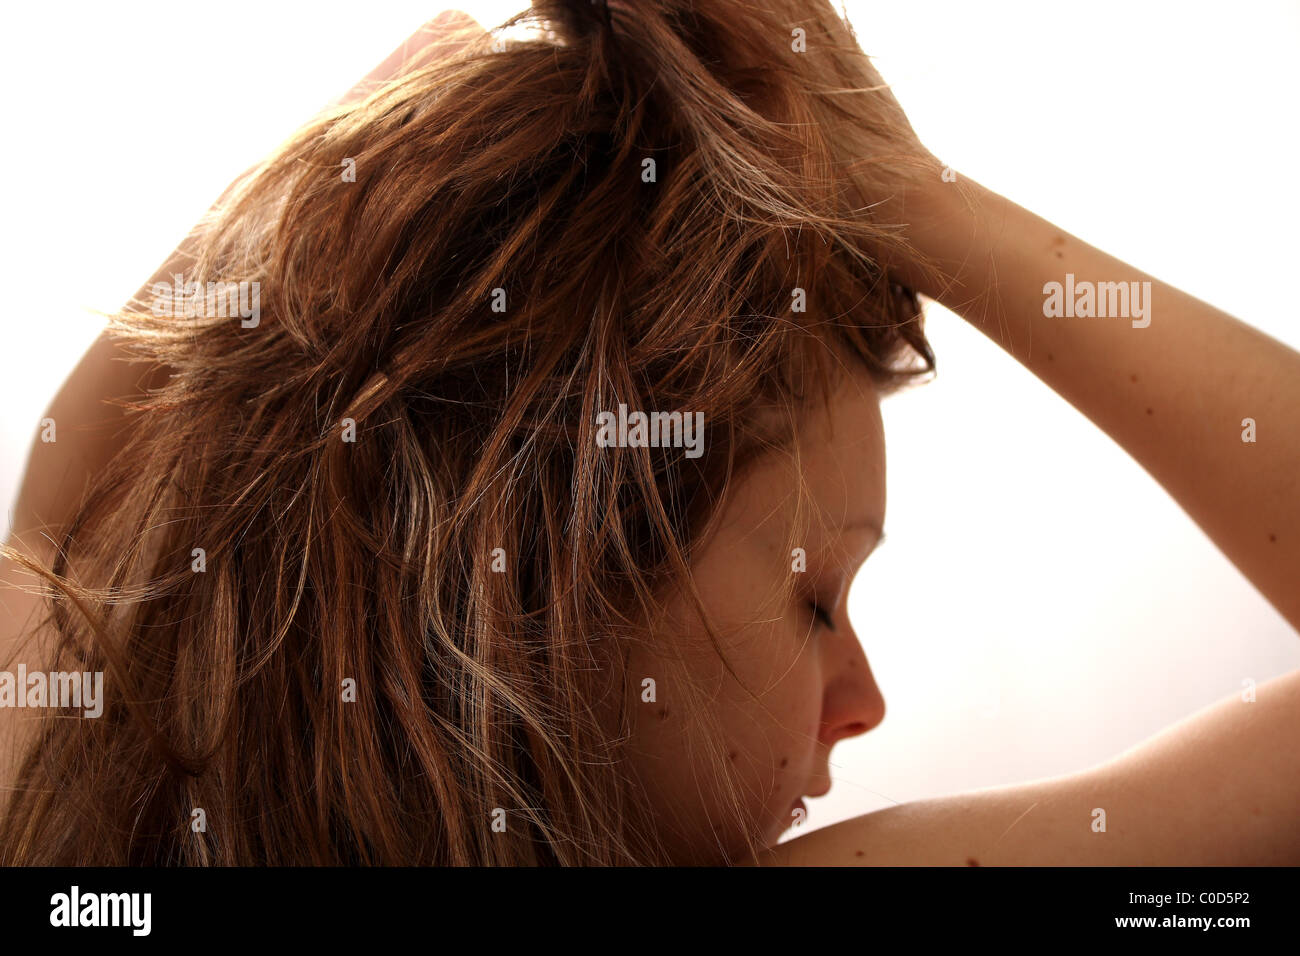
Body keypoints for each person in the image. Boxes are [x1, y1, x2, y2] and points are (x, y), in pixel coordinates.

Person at [1, 1, 1296, 866]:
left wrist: (390, 120)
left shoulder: (51, 739)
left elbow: (80, 476)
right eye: (814, 596)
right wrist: (914, 201)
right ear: (543, 584)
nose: (867, 703)